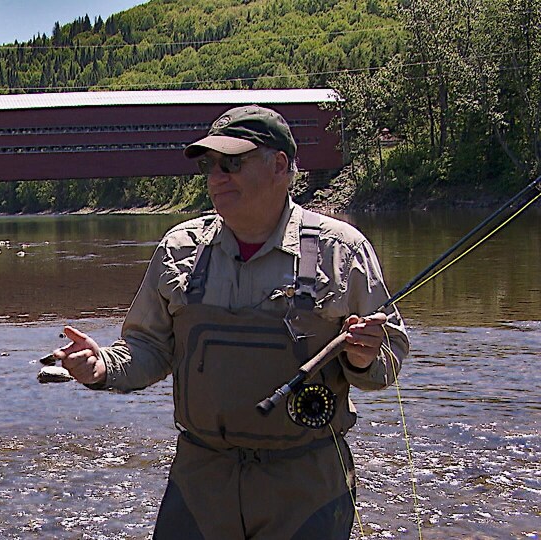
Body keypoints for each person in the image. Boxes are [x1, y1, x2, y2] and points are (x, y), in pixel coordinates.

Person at [54, 105, 410, 539]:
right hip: (200, 479)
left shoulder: (342, 250)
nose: (216, 176)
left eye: (233, 163)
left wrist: (363, 357)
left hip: (306, 484)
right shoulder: (179, 248)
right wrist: (102, 367)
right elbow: (149, 348)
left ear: (280, 165)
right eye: (209, 165)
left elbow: (389, 358)